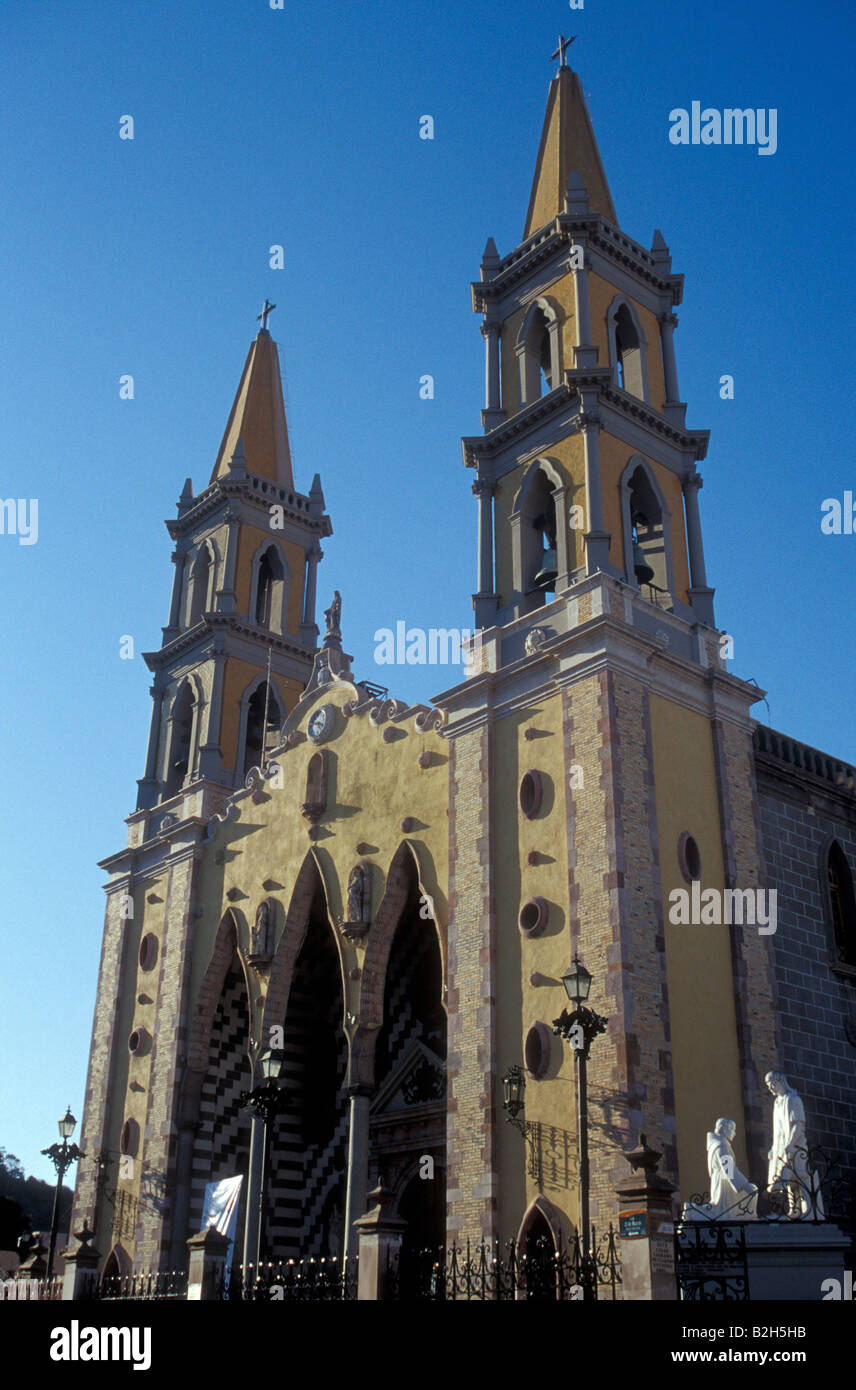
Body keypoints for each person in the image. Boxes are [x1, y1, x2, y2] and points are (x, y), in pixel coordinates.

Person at [766, 1072, 823, 1218]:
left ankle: (811, 1210)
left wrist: (790, 1144)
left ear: (780, 1081)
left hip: (795, 1145)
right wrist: (774, 1148)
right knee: (790, 1179)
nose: (770, 1088)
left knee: (801, 1175)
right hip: (782, 1146)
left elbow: (798, 1125)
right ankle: (795, 1210)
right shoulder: (777, 1103)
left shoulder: (793, 1099)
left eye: (772, 1083)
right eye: (768, 1085)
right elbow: (778, 1130)